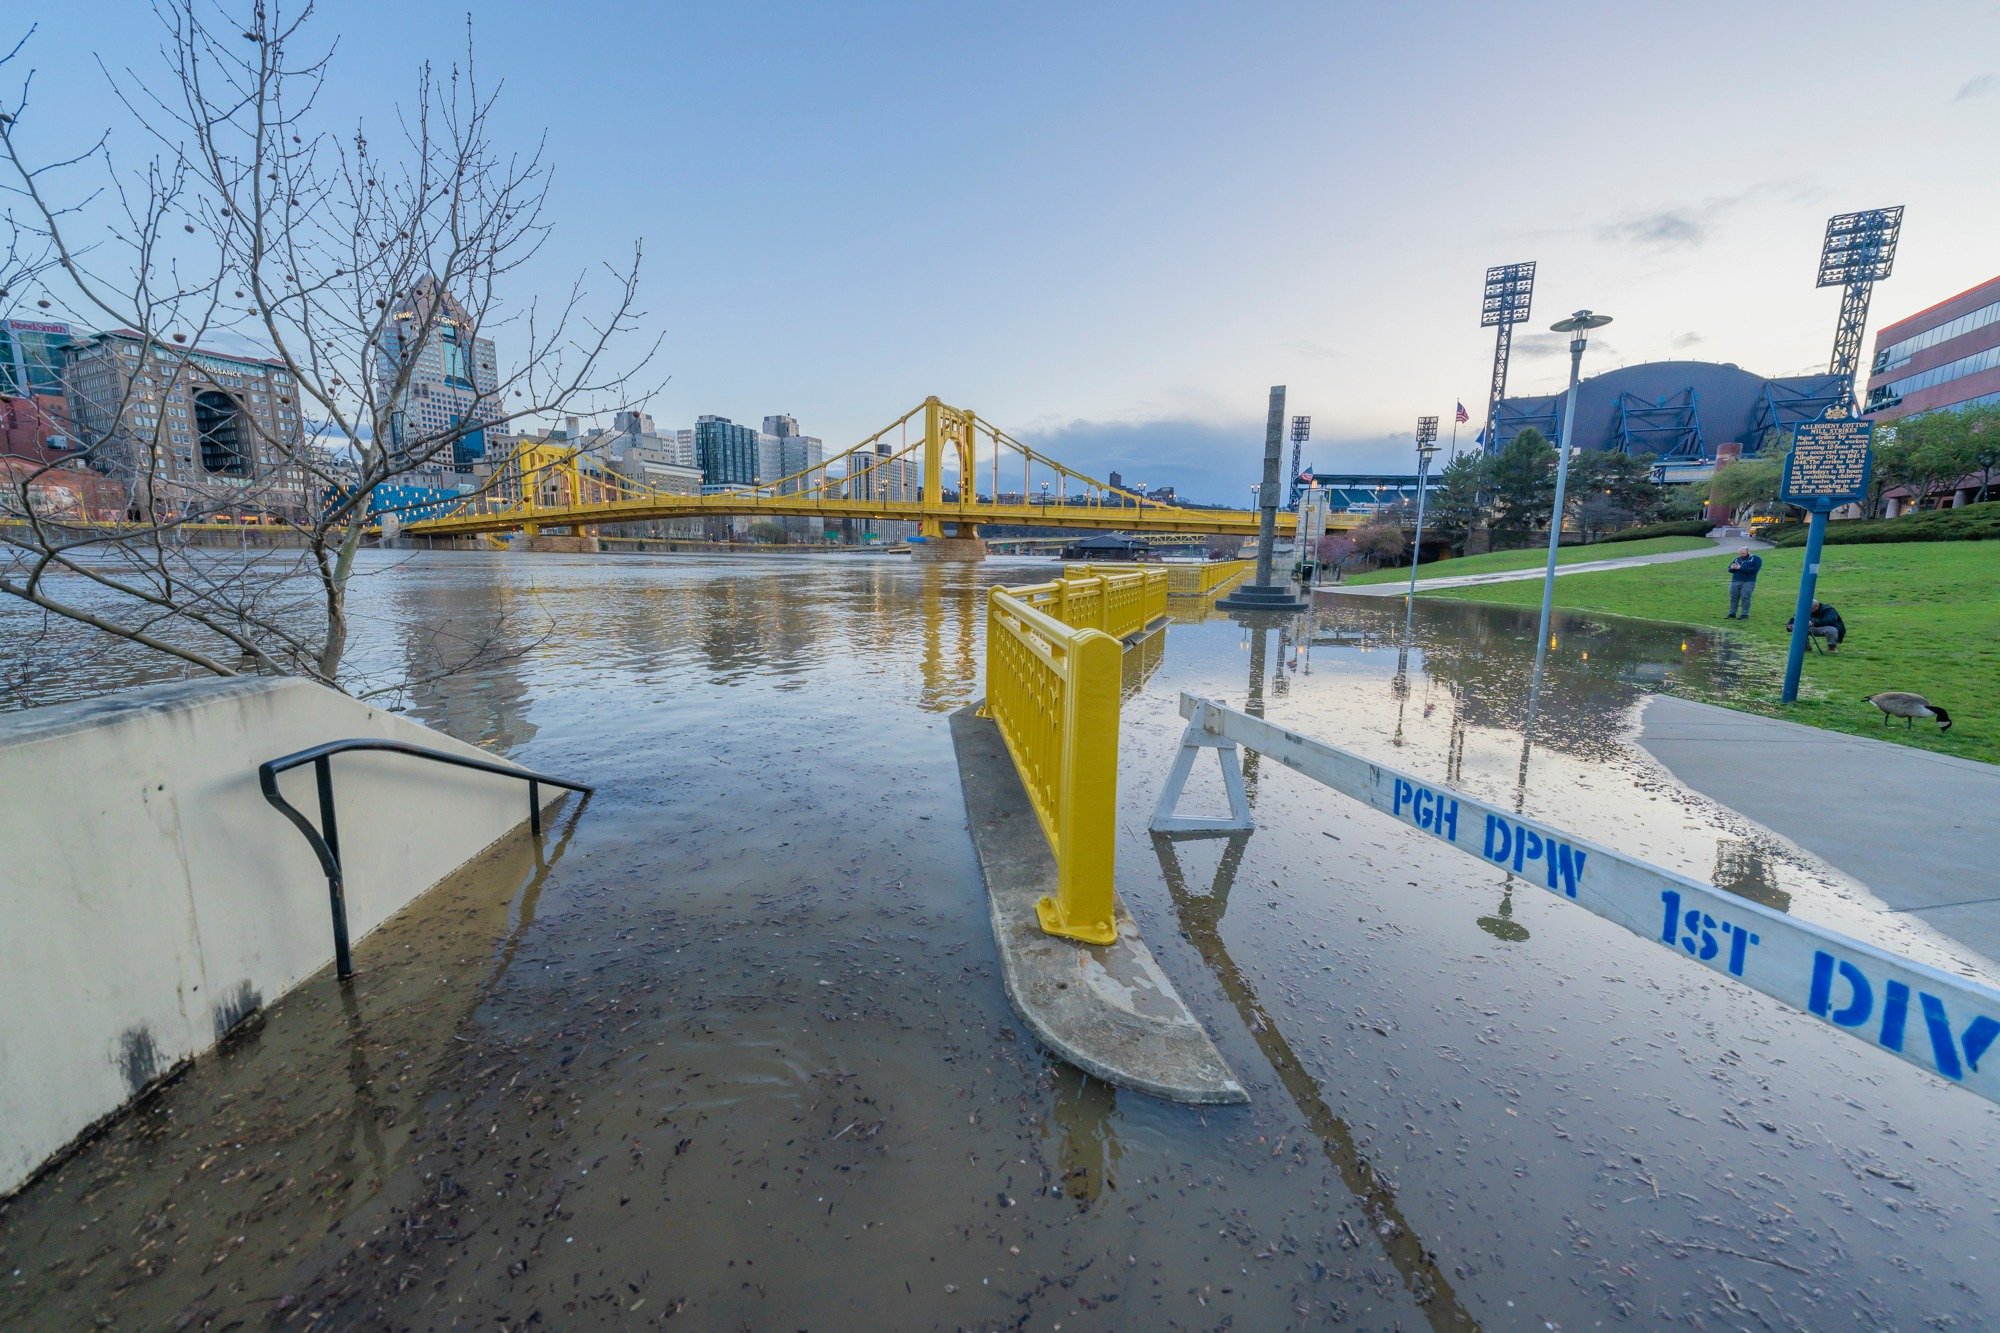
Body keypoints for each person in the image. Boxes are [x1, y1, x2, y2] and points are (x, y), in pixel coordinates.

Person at [1725, 547, 1762, 619]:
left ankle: (1744, 614)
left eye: (1743, 554)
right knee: (1733, 598)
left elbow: (1754, 570)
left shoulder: (1756, 559)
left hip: (1748, 582)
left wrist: (1740, 568)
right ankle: (1732, 613)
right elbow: (1730, 569)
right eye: (1740, 554)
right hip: (1735, 581)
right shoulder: (1737, 559)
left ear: (1748, 552)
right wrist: (1731, 568)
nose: (1742, 555)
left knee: (1745, 597)